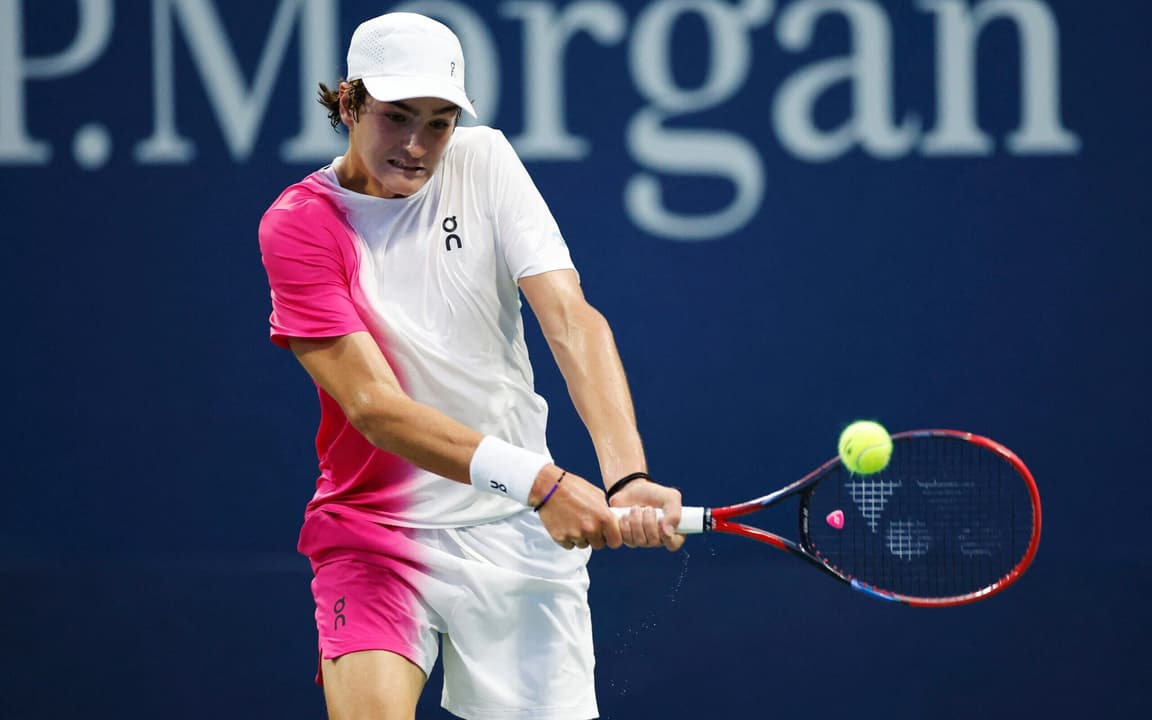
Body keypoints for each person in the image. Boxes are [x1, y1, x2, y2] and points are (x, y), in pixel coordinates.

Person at [257, 11, 684, 720]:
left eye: (439, 122)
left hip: (516, 534)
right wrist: (542, 482)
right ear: (349, 103)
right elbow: (374, 407)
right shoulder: (301, 224)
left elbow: (571, 320)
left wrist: (628, 476)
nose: (417, 145)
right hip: (377, 533)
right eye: (397, 117)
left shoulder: (484, 162)